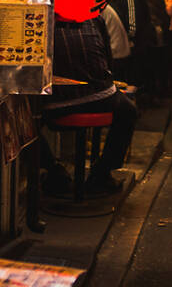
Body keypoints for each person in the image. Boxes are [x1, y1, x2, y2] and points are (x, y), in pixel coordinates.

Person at [43, 14, 138, 199]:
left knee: (20, 119)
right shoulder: (94, 17)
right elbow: (107, 60)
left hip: (54, 101)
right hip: (99, 95)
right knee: (128, 111)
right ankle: (101, 174)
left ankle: (54, 171)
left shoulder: (41, 15)